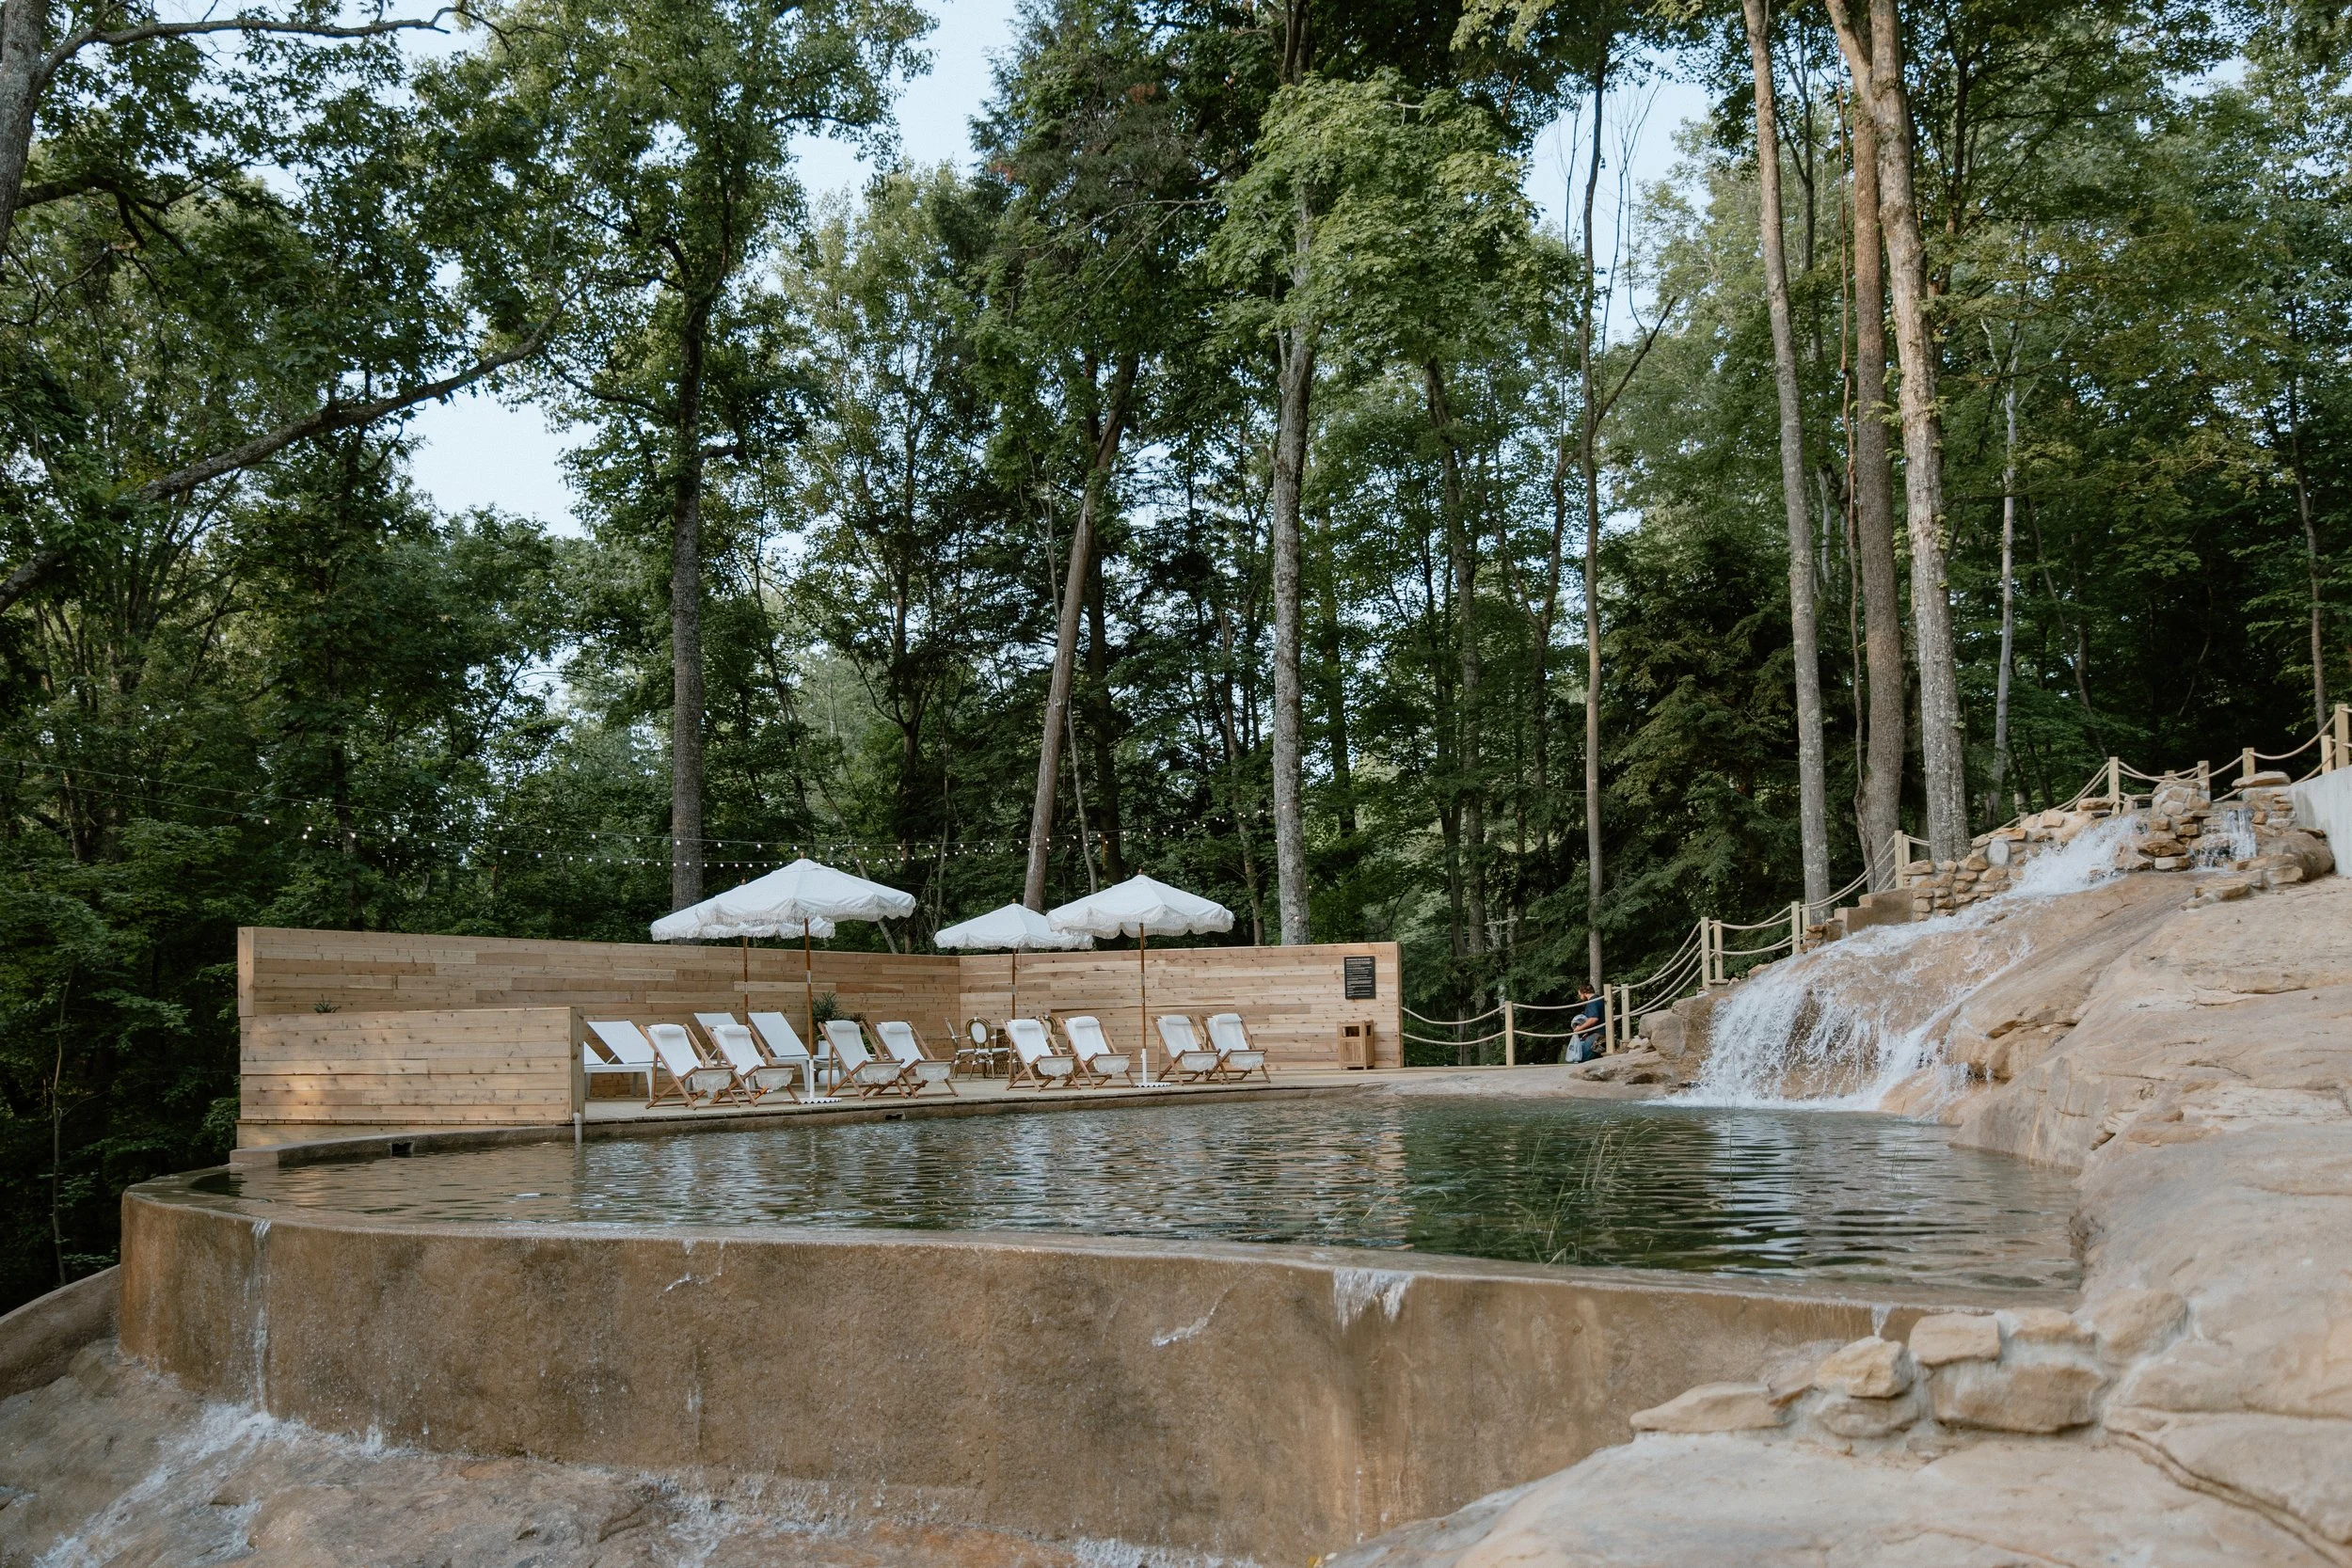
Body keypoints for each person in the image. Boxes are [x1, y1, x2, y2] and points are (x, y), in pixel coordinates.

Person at [1566, 984, 1607, 1063]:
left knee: (1579, 1057)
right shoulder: (1599, 999)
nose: (1580, 997)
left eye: (1580, 995)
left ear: (1584, 993)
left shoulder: (1592, 1002)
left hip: (1598, 1034)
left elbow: (1593, 1019)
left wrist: (1579, 1029)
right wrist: (1588, 1032)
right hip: (1599, 1032)